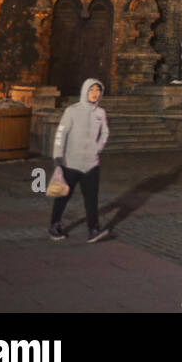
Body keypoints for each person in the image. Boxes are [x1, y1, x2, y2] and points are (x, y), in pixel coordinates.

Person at [48, 77, 110, 242]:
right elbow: (61, 133)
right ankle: (55, 225)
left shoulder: (100, 113)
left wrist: (98, 148)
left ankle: (93, 229)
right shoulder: (72, 111)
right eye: (92, 90)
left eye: (98, 91)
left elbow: (105, 133)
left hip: (91, 164)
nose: (95, 94)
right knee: (62, 196)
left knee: (91, 199)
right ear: (85, 91)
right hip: (71, 162)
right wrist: (58, 156)